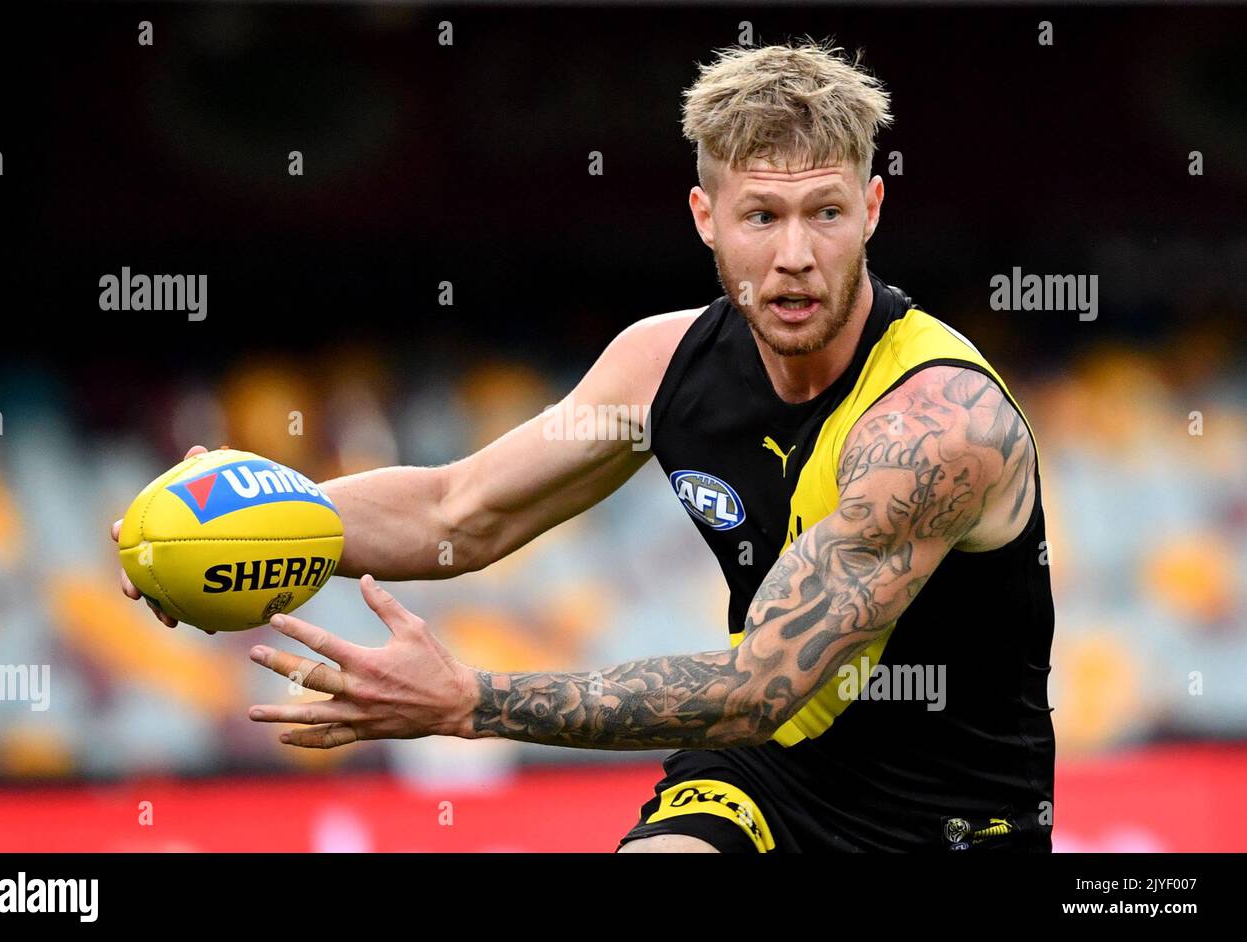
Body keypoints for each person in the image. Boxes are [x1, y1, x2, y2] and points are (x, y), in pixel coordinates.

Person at [113, 41, 1054, 852]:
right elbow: (459, 510)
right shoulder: (658, 366)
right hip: (767, 778)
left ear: (874, 210)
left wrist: (469, 701)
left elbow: (762, 683)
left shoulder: (936, 425)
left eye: (826, 213)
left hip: (954, 822)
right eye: (762, 216)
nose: (796, 253)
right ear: (706, 219)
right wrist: (248, 516)